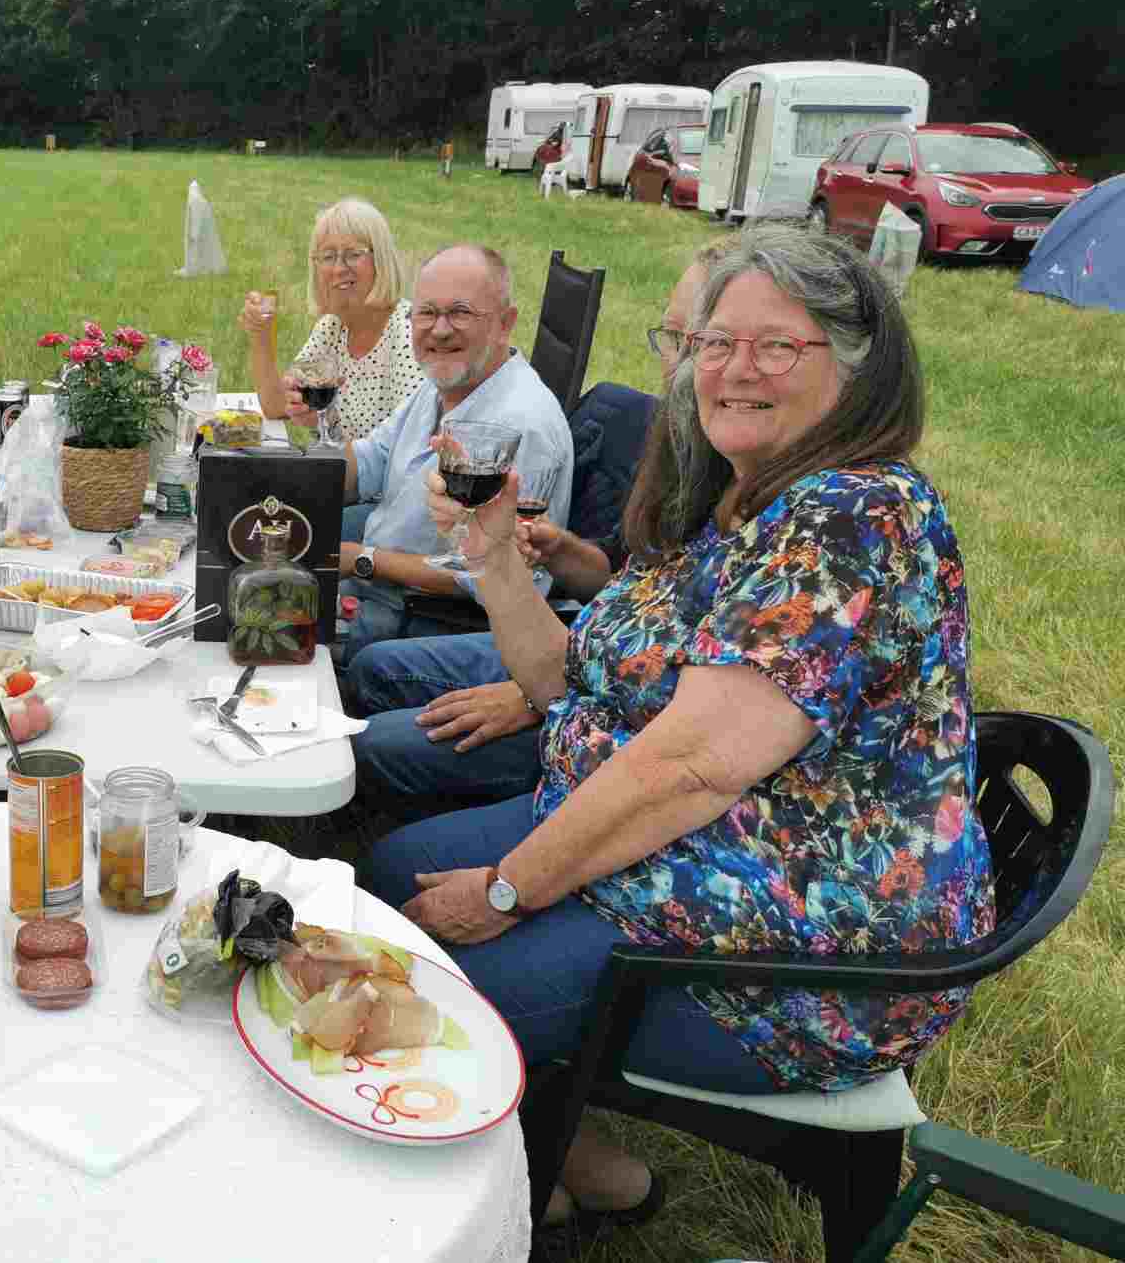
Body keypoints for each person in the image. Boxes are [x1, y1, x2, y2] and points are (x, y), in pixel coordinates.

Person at [365, 226, 991, 1231]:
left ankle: (512, 1191)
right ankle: (576, 1161)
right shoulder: (743, 499)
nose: (732, 369)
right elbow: (562, 679)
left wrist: (503, 890)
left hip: (801, 943)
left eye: (775, 346)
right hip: (690, 857)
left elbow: (694, 764)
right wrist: (489, 554)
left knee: (413, 990)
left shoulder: (852, 513)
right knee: (386, 874)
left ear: (859, 364)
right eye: (712, 343)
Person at [344, 242, 722, 819]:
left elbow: (683, 685)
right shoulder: (680, 459)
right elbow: (621, 582)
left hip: (583, 695)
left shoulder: (520, 428)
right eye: (671, 340)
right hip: (583, 659)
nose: (674, 365)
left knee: (362, 713)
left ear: (506, 324)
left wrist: (535, 694)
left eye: (700, 344)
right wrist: (566, 548)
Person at [316, 244, 574, 666]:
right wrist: (284, 472)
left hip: (422, 626)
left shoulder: (522, 425)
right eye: (427, 313)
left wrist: (362, 561)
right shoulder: (446, 381)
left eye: (460, 313)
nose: (439, 330)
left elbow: (485, 578)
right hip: (374, 589)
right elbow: (371, 461)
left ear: (505, 323)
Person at [239, 197, 422, 445]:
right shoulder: (332, 328)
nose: (338, 269)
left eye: (353, 254)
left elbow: (404, 451)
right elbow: (276, 406)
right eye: (327, 257)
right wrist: (261, 334)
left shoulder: (409, 334)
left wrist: (326, 423)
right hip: (340, 474)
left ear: (381, 259)